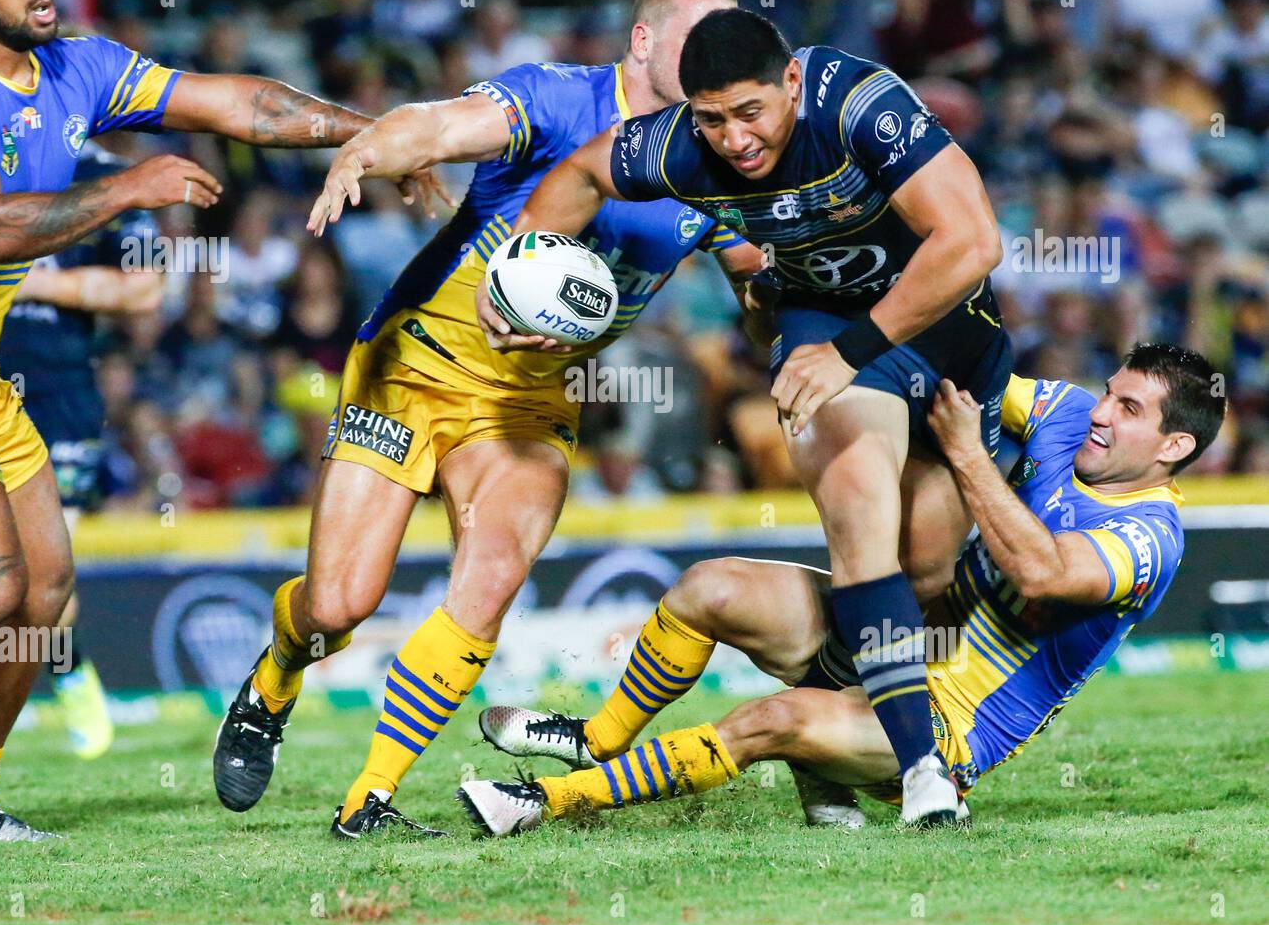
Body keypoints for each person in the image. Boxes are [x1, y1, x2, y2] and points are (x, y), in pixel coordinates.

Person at [211, 0, 758, 839]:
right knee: (337, 607)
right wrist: (371, 151)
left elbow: (757, 285)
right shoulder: (556, 96)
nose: (720, 60)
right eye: (701, 39)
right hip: (416, 361)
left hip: (533, 399)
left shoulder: (718, 156)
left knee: (494, 571)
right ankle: (276, 674)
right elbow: (436, 126)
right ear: (644, 44)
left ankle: (369, 801)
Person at [513, 6, 1010, 825]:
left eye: (750, 112)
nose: (735, 140)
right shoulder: (672, 144)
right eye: (712, 119)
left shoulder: (860, 105)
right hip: (817, 324)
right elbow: (580, 176)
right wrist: (520, 268)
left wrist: (857, 346)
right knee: (860, 519)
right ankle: (925, 776)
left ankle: (822, 755)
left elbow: (972, 243)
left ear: (790, 82)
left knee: (925, 570)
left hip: (945, 328)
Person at [0, 0, 388, 843]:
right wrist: (129, 186)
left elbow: (238, 101)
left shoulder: (77, 67)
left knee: (39, 595)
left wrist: (373, 133)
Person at [463, 344, 1226, 835]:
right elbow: (962, 375)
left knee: (773, 718)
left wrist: (967, 456)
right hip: (895, 637)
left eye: (1128, 409)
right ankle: (595, 738)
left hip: (947, 726)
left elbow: (1043, 572)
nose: (1099, 412)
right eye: (1108, 392)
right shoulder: (1064, 416)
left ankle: (544, 804)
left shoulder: (1149, 540)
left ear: (1173, 446)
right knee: (709, 586)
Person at [0, 150, 162, 760]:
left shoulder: (112, 177)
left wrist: (28, 280)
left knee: (43, 573)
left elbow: (146, 288)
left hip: (58, 394)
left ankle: (67, 670)